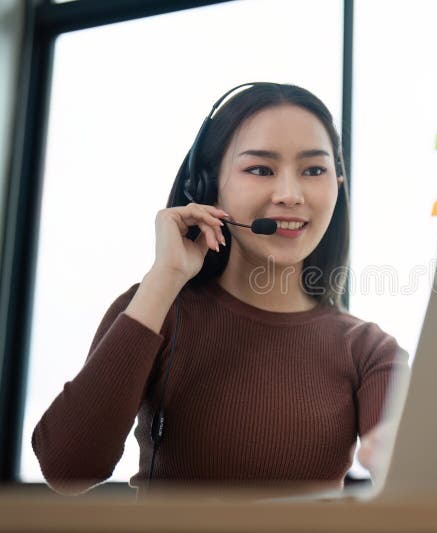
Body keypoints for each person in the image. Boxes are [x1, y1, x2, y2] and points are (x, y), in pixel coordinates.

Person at [31, 82, 409, 498]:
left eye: (313, 170)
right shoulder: (156, 309)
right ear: (208, 186)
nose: (290, 195)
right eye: (261, 169)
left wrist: (401, 457)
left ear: (337, 184)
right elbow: (67, 468)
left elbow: (420, 491)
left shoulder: (370, 350)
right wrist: (165, 276)